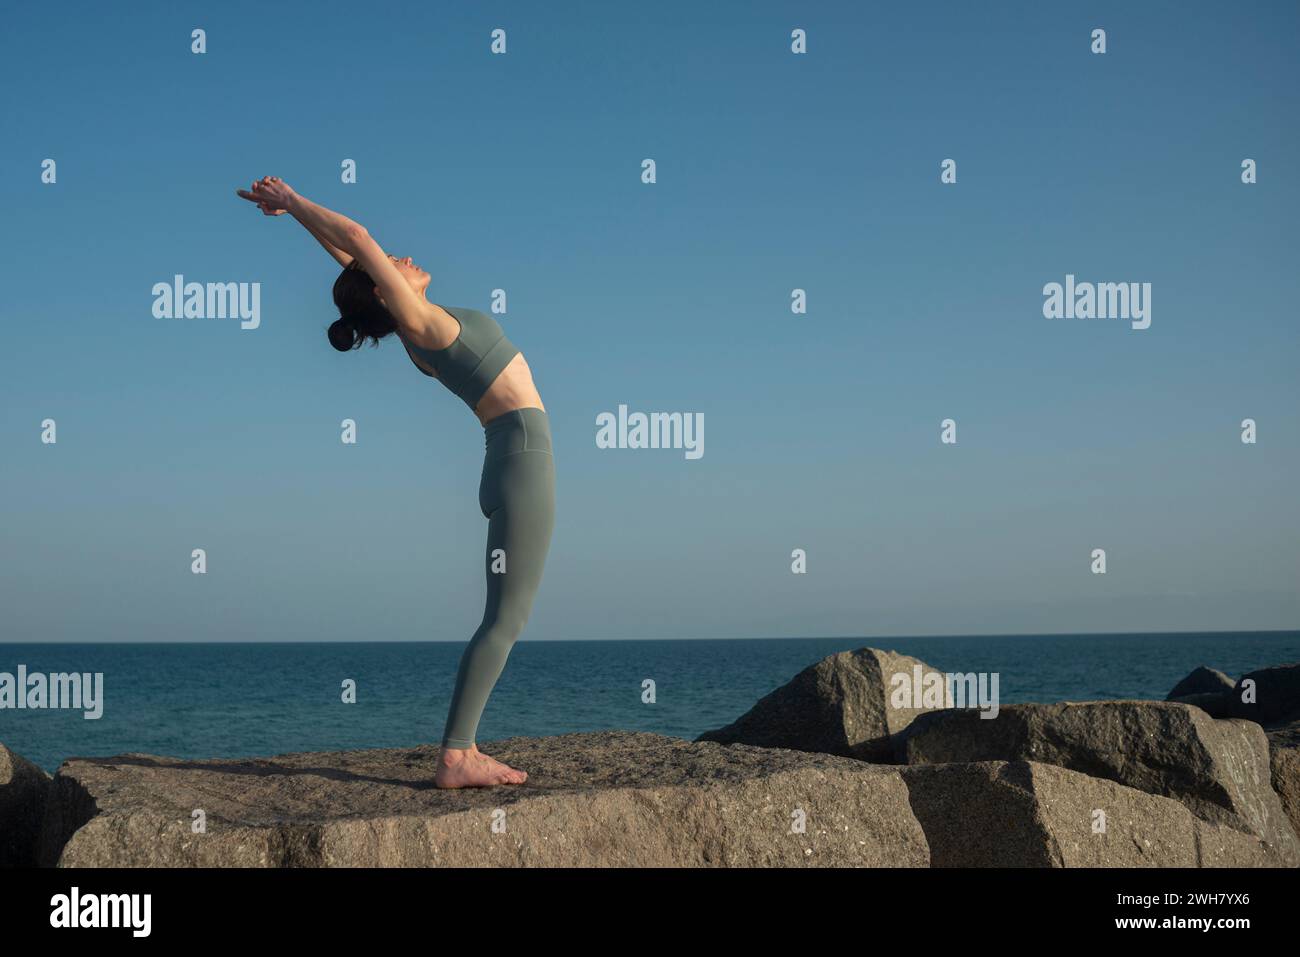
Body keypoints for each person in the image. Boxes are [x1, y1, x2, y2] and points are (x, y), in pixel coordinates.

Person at [237, 176, 555, 788]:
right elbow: (358, 241)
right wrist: (295, 199)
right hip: (523, 461)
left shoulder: (413, 326)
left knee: (503, 617)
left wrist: (296, 218)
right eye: (393, 267)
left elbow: (353, 258)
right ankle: (457, 755)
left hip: (509, 460)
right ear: (387, 297)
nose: (404, 258)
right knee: (505, 621)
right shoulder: (422, 327)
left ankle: (460, 750)